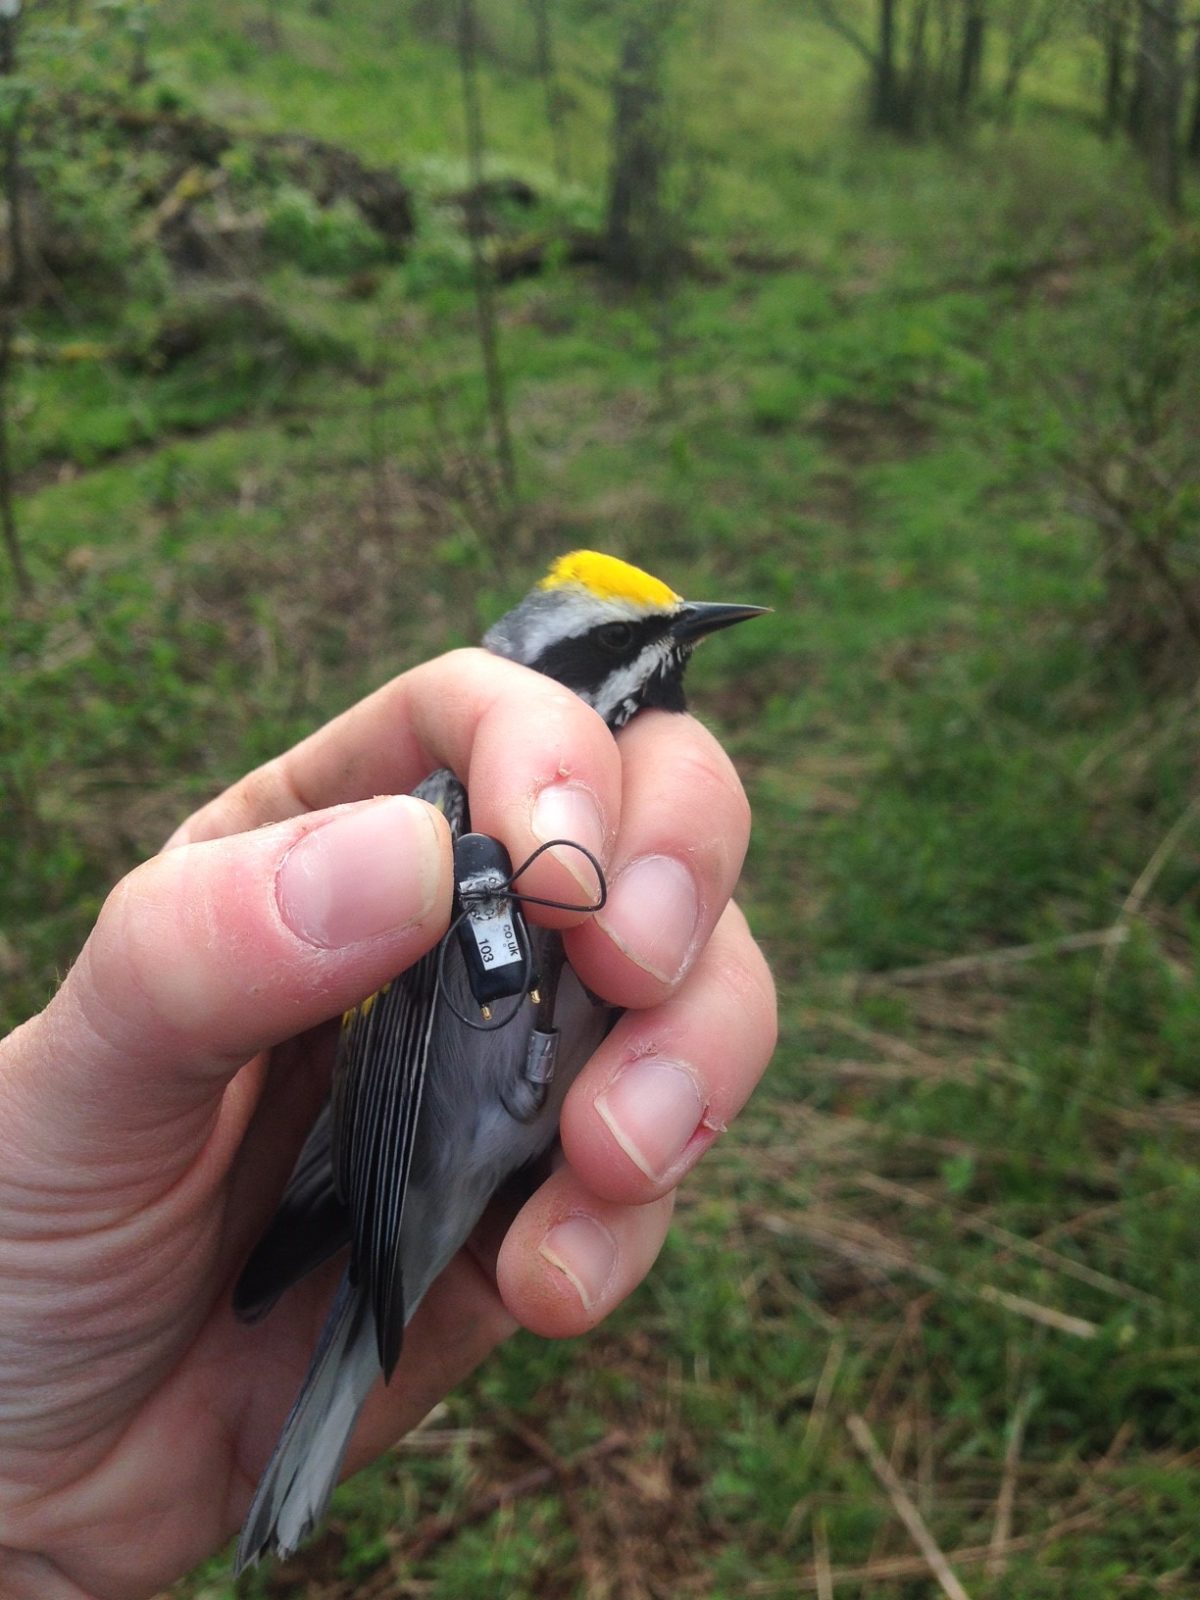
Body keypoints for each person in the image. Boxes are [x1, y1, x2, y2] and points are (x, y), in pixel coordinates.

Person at [0, 648, 777, 1600]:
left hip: (443, 1140)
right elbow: (392, 1048)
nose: (655, 665)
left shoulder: (560, 795)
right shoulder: (464, 793)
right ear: (563, 661)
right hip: (418, 1134)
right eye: (620, 642)